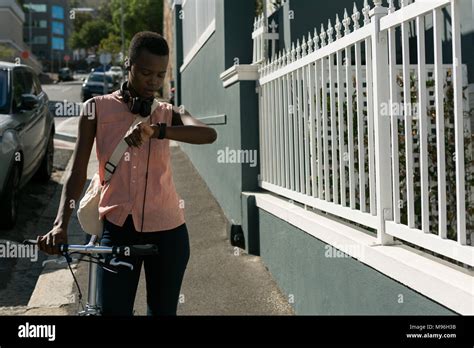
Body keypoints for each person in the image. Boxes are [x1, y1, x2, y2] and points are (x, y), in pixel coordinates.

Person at [37, 31, 217, 315]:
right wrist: (60, 224)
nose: (154, 82)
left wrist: (158, 131)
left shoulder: (169, 111)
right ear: (128, 65)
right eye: (146, 72)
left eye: (160, 75)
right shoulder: (95, 109)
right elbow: (75, 170)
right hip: (118, 230)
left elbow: (208, 135)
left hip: (169, 231)